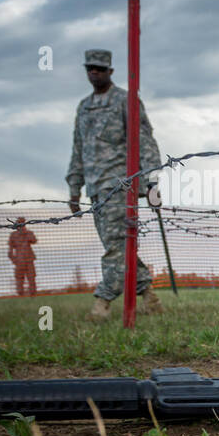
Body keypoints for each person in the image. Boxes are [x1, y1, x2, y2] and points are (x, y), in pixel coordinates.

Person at [66, 49, 164, 319]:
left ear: (110, 71)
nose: (93, 73)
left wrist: (151, 182)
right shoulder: (83, 107)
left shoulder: (126, 100)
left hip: (121, 184)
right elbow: (78, 148)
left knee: (115, 244)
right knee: (120, 244)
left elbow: (145, 140)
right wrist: (74, 188)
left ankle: (102, 303)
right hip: (95, 188)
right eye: (90, 68)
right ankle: (149, 297)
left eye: (99, 68)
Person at [7, 217, 37, 296]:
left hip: (29, 259)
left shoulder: (29, 233)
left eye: (22, 223)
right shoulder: (13, 235)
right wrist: (14, 260)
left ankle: (33, 294)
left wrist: (25, 233)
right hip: (19, 260)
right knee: (19, 278)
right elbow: (10, 251)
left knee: (31, 277)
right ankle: (20, 295)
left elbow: (34, 240)